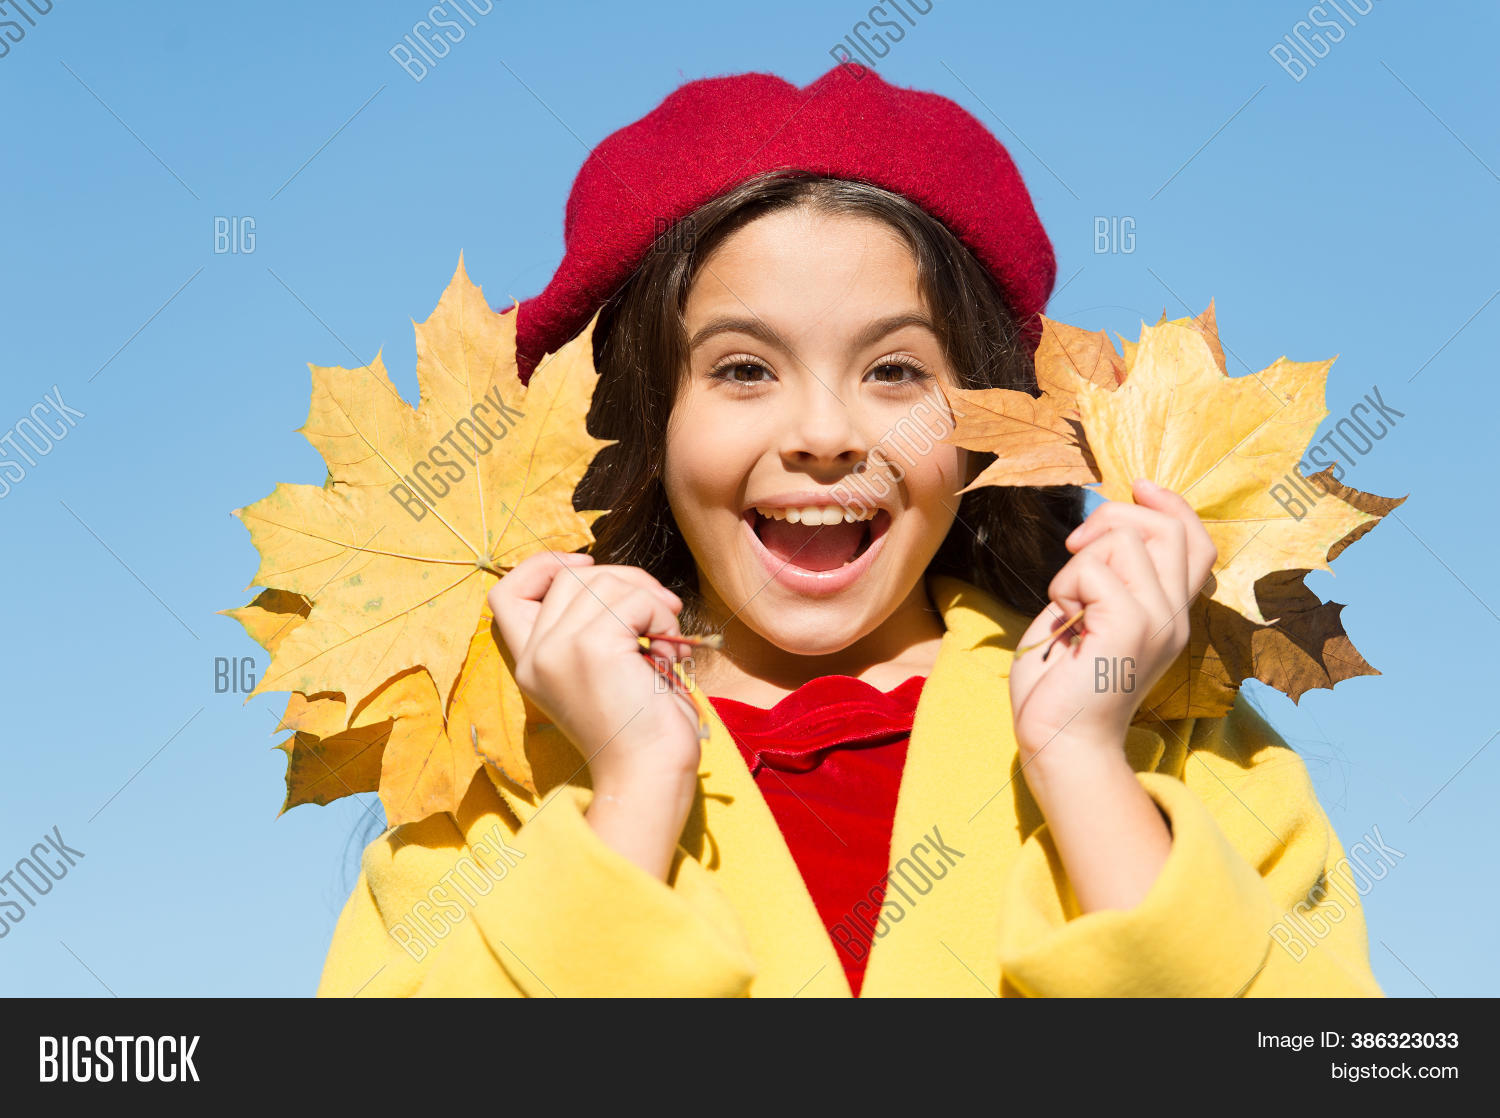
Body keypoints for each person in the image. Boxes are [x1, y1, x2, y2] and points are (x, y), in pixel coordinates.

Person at [316, 64, 1383, 997]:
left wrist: (1085, 765)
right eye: (741, 368)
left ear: (984, 420)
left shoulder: (1174, 737)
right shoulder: (505, 770)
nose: (824, 433)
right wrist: (635, 787)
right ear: (634, 417)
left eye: (895, 372)